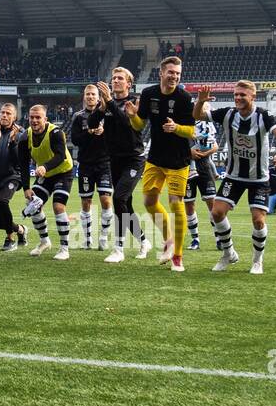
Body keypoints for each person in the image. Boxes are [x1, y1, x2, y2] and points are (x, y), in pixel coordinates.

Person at [198, 81, 276, 275]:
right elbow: (197, 116)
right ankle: (228, 254)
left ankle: (257, 261)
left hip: (259, 179)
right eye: (236, 94)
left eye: (242, 95)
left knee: (258, 220)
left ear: (253, 97)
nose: (238, 98)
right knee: (217, 213)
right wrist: (200, 101)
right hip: (234, 176)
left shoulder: (263, 116)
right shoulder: (228, 114)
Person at [126, 55, 208, 272]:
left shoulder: (184, 97)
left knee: (175, 203)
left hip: (179, 160)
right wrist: (133, 116)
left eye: (178, 74)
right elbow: (139, 125)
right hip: (155, 157)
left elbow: (193, 131)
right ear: (161, 72)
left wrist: (176, 128)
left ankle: (177, 256)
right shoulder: (148, 94)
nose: (174, 77)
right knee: (149, 201)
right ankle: (168, 240)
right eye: (171, 72)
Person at [94, 68, 151, 263]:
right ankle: (144, 241)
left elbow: (128, 125)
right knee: (125, 204)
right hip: (115, 159)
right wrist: (101, 108)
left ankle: (118, 249)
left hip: (134, 159)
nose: (116, 81)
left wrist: (109, 102)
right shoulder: (106, 102)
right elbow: (92, 124)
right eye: (114, 78)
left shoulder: (135, 101)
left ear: (129, 84)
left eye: (120, 78)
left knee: (118, 198)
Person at [19, 105, 75, 260]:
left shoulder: (56, 133)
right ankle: (44, 242)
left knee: (58, 207)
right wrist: (26, 188)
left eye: (38, 117)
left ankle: (64, 249)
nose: (35, 120)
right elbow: (23, 164)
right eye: (32, 117)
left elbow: (60, 156)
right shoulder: (25, 137)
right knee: (33, 204)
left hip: (63, 172)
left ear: (45, 119)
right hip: (46, 174)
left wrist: (44, 167)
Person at [70, 84, 113, 250]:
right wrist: (89, 132)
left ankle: (103, 237)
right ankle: (87, 238)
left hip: (104, 163)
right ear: (84, 96)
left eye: (93, 94)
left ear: (98, 97)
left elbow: (116, 136)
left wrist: (104, 132)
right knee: (86, 201)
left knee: (106, 200)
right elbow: (75, 140)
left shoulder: (107, 114)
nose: (90, 97)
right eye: (88, 94)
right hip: (86, 165)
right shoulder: (78, 116)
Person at [0, 103, 27, 250]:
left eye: (8, 113)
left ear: (14, 117)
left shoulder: (21, 134)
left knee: (2, 201)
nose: (4, 115)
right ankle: (21, 230)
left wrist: (13, 142)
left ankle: (10, 239)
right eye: (3, 112)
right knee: (0, 223)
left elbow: (19, 161)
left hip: (12, 176)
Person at [185, 116, 220, 251]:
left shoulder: (205, 124)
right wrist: (189, 152)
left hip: (204, 167)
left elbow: (215, 145)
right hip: (187, 169)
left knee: (212, 203)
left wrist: (206, 153)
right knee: (189, 204)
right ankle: (195, 239)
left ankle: (219, 238)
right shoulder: (182, 123)